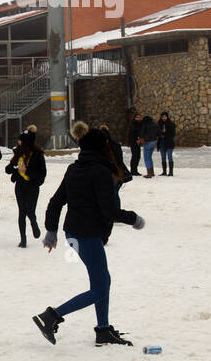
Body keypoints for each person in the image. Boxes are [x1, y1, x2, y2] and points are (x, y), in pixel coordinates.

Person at [33, 123, 145, 347]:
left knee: (102, 281)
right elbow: (109, 211)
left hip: (74, 232)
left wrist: (51, 231)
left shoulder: (75, 169)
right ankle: (51, 316)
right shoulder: (101, 172)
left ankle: (103, 330)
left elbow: (56, 202)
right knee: (101, 287)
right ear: (101, 148)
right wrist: (133, 219)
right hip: (87, 234)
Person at [4, 128, 47, 247]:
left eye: (20, 141)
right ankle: (23, 239)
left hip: (32, 186)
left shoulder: (37, 154)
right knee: (22, 211)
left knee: (30, 211)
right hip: (20, 186)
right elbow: (8, 169)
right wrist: (15, 169)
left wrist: (27, 171)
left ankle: (33, 222)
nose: (18, 142)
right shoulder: (18, 153)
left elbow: (42, 173)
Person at [136, 112, 159, 178]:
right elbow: (158, 133)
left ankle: (149, 173)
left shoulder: (145, 125)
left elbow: (142, 133)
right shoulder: (155, 125)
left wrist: (141, 139)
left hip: (147, 142)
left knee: (146, 158)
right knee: (150, 157)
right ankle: (152, 172)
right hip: (154, 142)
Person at [157, 112, 176, 177]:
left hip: (169, 142)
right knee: (163, 157)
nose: (164, 118)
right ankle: (164, 171)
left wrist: (165, 134)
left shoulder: (171, 124)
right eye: (163, 117)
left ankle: (171, 172)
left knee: (170, 157)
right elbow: (158, 133)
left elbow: (173, 134)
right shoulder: (159, 124)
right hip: (162, 142)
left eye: (165, 116)